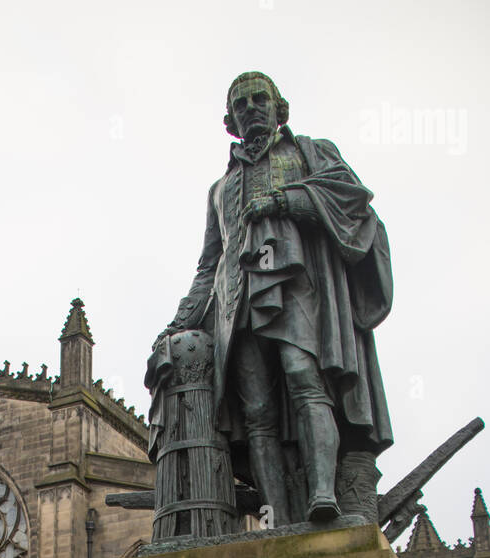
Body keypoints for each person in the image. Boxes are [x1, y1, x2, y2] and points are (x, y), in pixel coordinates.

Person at [149, 71, 394, 527]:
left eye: (260, 99)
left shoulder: (310, 152)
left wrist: (284, 202)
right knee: (256, 411)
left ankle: (324, 495)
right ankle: (276, 517)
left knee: (305, 378)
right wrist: (180, 320)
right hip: (236, 300)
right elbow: (209, 263)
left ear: (280, 107)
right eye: (240, 105)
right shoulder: (219, 190)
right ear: (230, 121)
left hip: (296, 284)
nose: (251, 108)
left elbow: (351, 200)